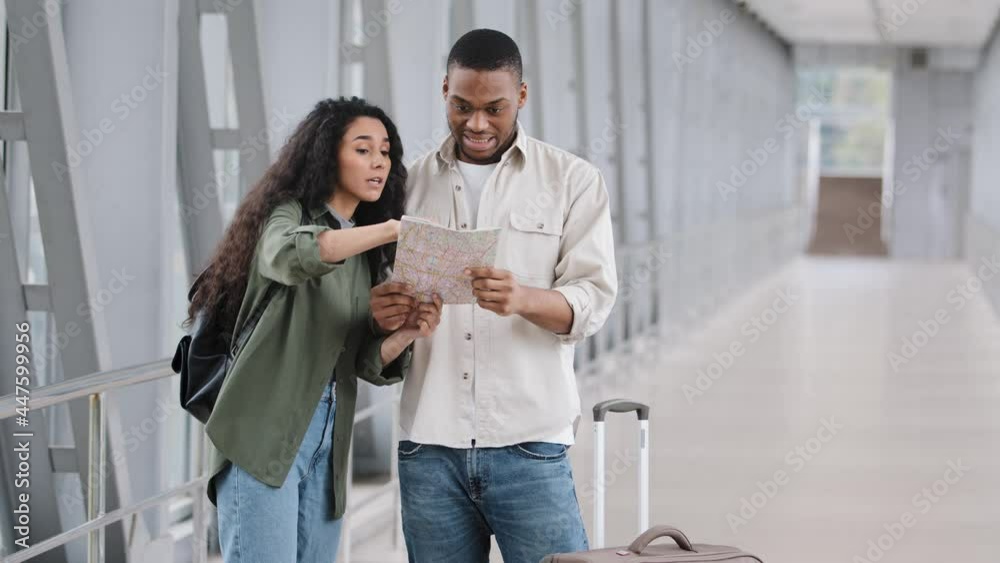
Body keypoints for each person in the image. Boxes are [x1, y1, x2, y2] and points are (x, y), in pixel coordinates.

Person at [369, 29, 618, 563]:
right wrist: (388, 312)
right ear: (445, 91)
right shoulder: (405, 185)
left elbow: (593, 301)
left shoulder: (573, 180)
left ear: (521, 96)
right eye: (462, 106)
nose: (477, 124)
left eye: (494, 109)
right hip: (429, 449)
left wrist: (524, 298)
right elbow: (372, 304)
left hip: (531, 446)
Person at [188, 97, 442, 563]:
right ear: (328, 155)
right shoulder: (286, 215)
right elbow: (291, 255)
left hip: (329, 443)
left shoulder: (362, 256)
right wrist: (392, 230)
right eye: (363, 149)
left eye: (385, 152)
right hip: (264, 433)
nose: (379, 162)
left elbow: (362, 361)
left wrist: (407, 332)